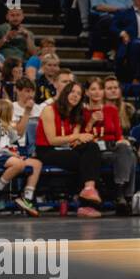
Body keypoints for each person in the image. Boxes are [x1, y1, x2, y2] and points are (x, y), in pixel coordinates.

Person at [35, 80, 103, 217]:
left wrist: (81, 139)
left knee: (92, 148)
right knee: (85, 161)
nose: (75, 96)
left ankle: (89, 189)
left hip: (66, 149)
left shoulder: (77, 114)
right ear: (65, 92)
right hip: (47, 150)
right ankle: (85, 204)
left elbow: (73, 140)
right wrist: (77, 136)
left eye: (79, 93)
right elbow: (52, 140)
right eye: (72, 92)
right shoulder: (49, 110)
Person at [0, 98, 42, 215]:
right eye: (11, 111)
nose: (13, 114)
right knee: (19, 164)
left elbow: (15, 141)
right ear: (6, 112)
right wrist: (10, 154)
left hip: (4, 156)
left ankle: (27, 197)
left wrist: (18, 154)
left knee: (36, 164)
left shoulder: (7, 127)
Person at [82, 77, 137, 214]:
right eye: (93, 89)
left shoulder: (111, 110)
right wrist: (91, 121)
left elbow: (118, 135)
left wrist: (121, 140)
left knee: (126, 149)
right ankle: (125, 196)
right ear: (87, 92)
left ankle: (120, 193)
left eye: (100, 89)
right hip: (94, 151)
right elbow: (81, 136)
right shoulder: (82, 111)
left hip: (112, 147)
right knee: (130, 157)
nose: (97, 92)